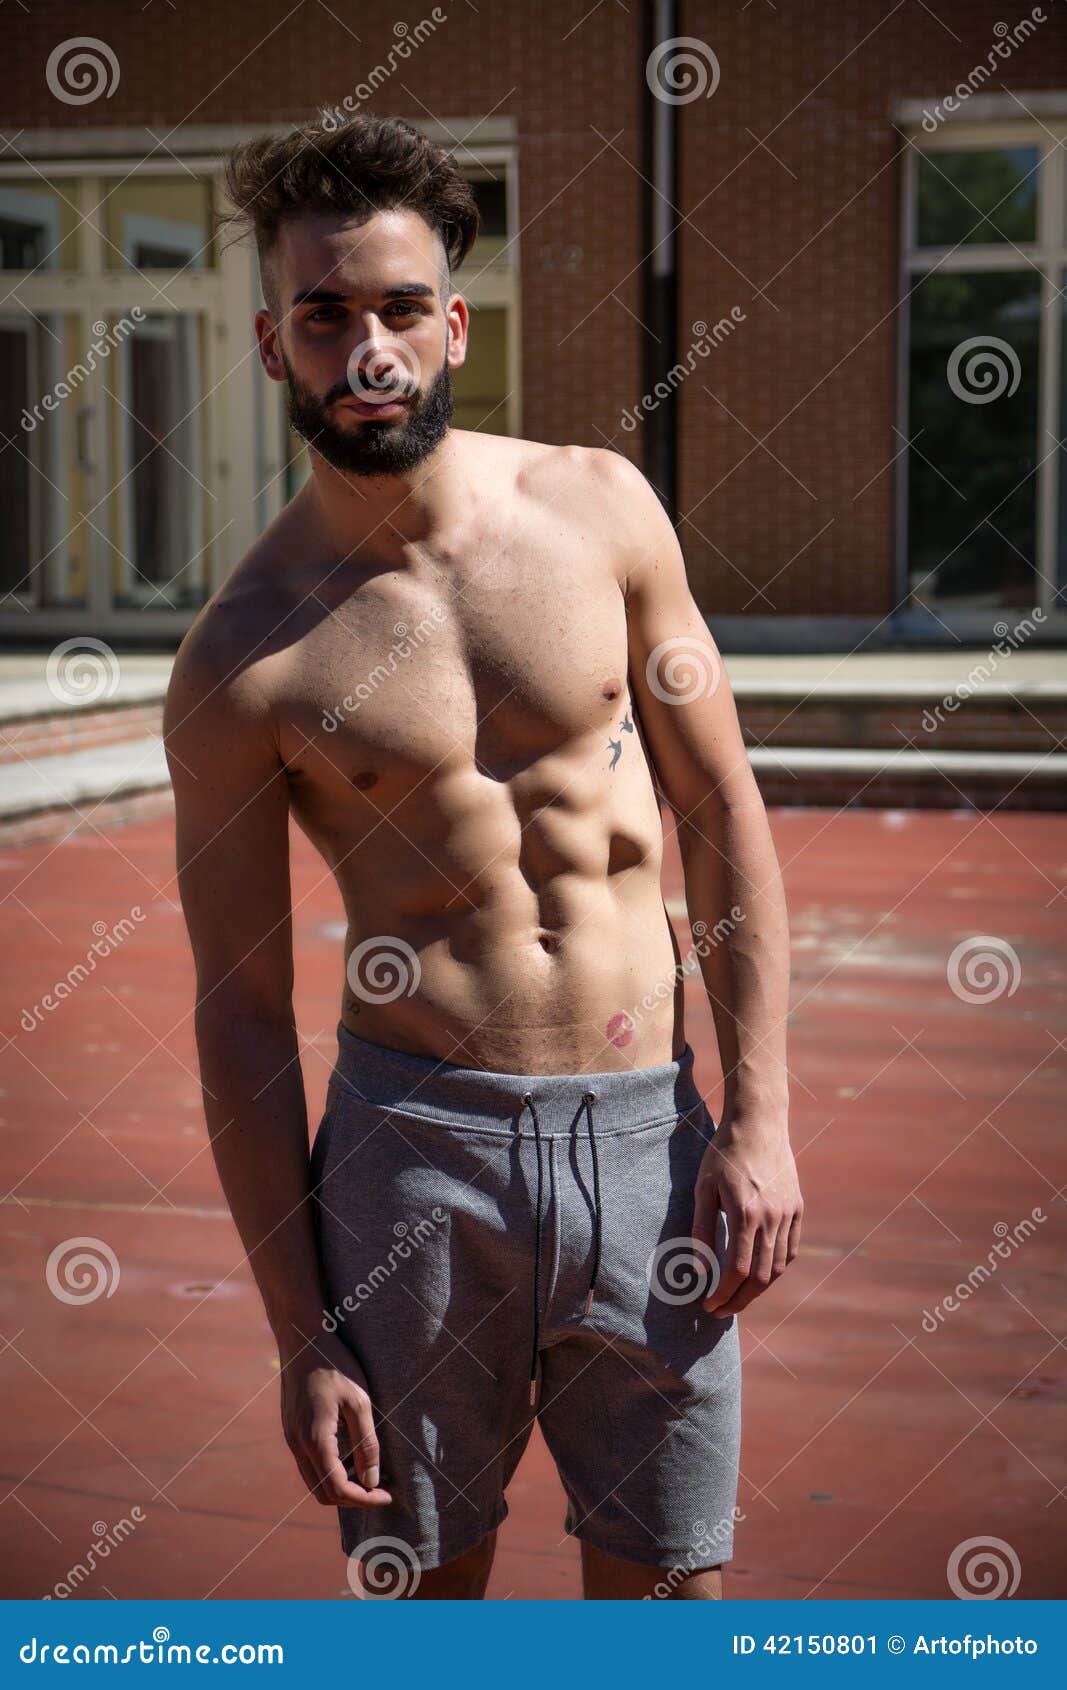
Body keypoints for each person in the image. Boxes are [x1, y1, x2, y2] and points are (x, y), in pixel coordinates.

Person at [163, 114, 802, 1601]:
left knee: (672, 1600)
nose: (365, 347)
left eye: (397, 307)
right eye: (324, 315)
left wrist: (760, 1118)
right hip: (414, 1164)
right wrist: (300, 1332)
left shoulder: (602, 508)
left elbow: (721, 817)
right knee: (425, 1605)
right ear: (276, 344)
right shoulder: (245, 659)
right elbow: (242, 1015)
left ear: (453, 324)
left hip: (654, 1143)